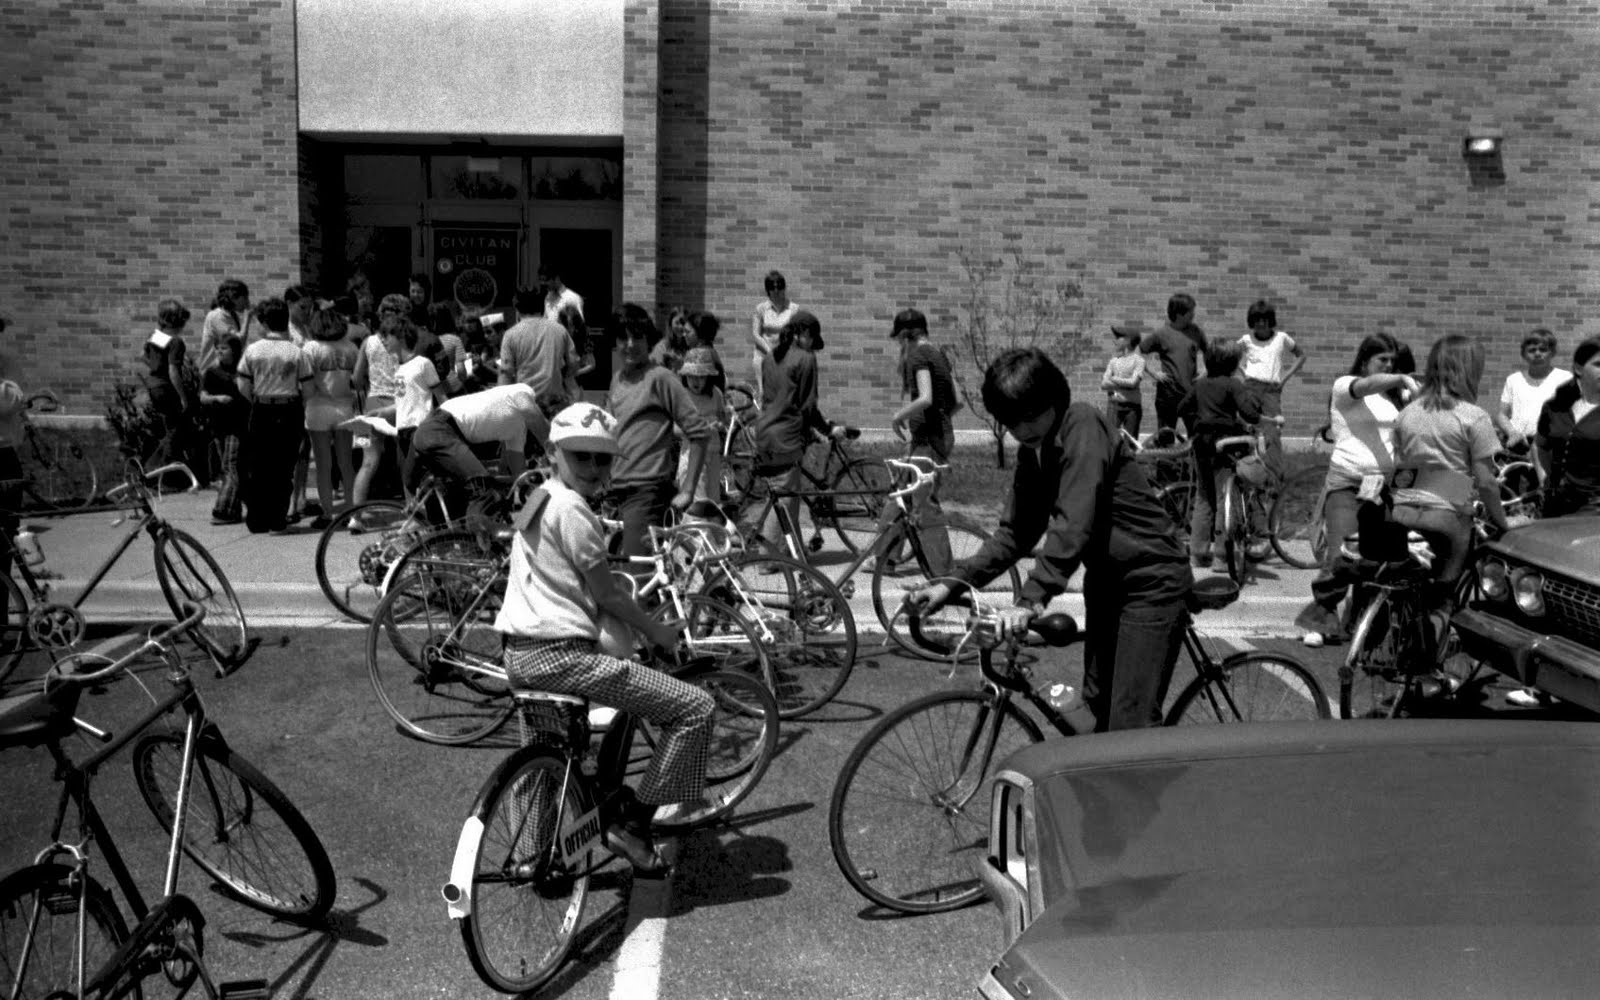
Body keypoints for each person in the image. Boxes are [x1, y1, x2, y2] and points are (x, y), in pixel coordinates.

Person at [905, 348, 1191, 732]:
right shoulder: (1033, 453)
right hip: (1107, 579)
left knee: (1129, 722)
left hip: (1151, 579)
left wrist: (1030, 600)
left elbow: (1073, 520)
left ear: (1054, 399)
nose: (1024, 430)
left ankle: (1148, 786)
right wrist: (952, 583)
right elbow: (1015, 533)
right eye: (1011, 422)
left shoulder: (1083, 425)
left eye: (1033, 415)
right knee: (1096, 708)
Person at [494, 401, 712, 870]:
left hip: (519, 652)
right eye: (581, 456)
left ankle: (535, 858)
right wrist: (656, 630)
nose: (594, 468)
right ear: (554, 453)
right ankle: (628, 823)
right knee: (695, 708)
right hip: (564, 657)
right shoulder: (573, 511)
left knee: (544, 763)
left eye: (602, 458)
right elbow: (609, 595)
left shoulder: (537, 497)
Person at [1384, 334, 1510, 655]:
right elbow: (1486, 483)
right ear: (1469, 371)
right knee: (1445, 591)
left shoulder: (1408, 412)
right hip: (1445, 515)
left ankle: (1397, 633)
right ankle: (1429, 659)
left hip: (1400, 506)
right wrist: (1502, 521)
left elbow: (1403, 469)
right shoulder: (1473, 417)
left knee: (1407, 581)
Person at [1296, 334, 1417, 647]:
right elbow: (1365, 386)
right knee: (1343, 552)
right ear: (1365, 361)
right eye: (1382, 360)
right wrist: (1401, 376)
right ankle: (1319, 618)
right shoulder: (1346, 386)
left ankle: (1360, 621)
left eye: (1393, 361)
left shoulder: (1394, 398)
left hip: (1383, 487)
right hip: (1348, 483)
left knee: (1379, 556)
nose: (1389, 367)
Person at [605, 305, 715, 560]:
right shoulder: (616, 380)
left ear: (648, 340)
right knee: (632, 573)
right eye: (623, 338)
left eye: (638, 337)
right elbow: (613, 432)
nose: (630, 345)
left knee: (638, 579)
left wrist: (688, 490)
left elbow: (699, 432)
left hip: (646, 492)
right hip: (617, 490)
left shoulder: (661, 378)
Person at [753, 310, 846, 554]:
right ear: (803, 333)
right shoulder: (805, 359)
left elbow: (772, 398)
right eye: (813, 339)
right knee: (784, 499)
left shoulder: (770, 357)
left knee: (785, 494)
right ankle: (771, 557)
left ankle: (793, 551)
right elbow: (807, 406)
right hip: (787, 436)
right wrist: (827, 429)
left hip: (764, 432)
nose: (813, 346)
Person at [874, 308, 956, 574]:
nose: (899, 344)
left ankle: (943, 574)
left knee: (924, 504)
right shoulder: (939, 353)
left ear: (907, 335)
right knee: (899, 496)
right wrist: (937, 421)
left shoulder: (919, 355)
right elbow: (957, 401)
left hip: (928, 442)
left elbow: (925, 397)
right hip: (934, 435)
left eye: (899, 338)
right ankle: (885, 559)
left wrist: (898, 417)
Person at [401, 382, 550, 520]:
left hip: (436, 433)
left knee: (460, 496)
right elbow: (537, 421)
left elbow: (519, 474)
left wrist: (539, 498)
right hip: (439, 429)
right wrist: (555, 453)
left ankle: (451, 542)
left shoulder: (518, 430)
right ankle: (480, 545)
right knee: (482, 490)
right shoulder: (523, 392)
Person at [1178, 341, 1265, 569]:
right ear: (1233, 363)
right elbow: (1250, 414)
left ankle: (1196, 553)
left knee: (1203, 497)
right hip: (1225, 444)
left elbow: (1181, 408)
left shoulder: (1200, 384)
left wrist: (1196, 424)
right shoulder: (1233, 385)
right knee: (1223, 498)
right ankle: (1220, 555)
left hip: (1201, 444)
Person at [235, 297, 312, 534]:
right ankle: (277, 519)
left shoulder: (253, 350)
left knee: (258, 466)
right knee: (283, 467)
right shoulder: (296, 352)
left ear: (264, 323)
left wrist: (259, 398)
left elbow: (242, 385)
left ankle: (257, 519)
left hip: (262, 409)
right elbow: (308, 389)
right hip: (289, 409)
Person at [302, 306, 360, 530]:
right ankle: (352, 511)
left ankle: (328, 513)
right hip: (345, 406)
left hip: (318, 406)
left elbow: (306, 383)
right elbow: (357, 380)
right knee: (346, 463)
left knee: (324, 465)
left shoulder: (311, 348)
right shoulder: (350, 347)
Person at [1237, 299, 1305, 478]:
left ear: (1270, 320)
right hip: (1251, 388)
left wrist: (1285, 377)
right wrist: (1243, 373)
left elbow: (1301, 355)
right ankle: (1245, 474)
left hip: (1271, 391)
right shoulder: (1246, 340)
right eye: (1257, 319)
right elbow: (1230, 354)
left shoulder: (1281, 338)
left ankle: (1275, 479)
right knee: (1245, 428)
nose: (1261, 323)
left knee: (1272, 434)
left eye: (1264, 319)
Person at [349, 295, 403, 522]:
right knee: (404, 460)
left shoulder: (367, 342)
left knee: (367, 462)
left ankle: (355, 517)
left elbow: (356, 378)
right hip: (396, 404)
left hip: (371, 404)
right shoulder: (402, 342)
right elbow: (404, 376)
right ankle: (410, 512)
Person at [1536, 335, 1600, 517]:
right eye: (1598, 364)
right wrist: (1546, 479)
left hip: (1593, 511)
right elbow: (1540, 446)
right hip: (1555, 504)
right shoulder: (1555, 407)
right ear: (1579, 369)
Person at [1495, 327, 1571, 459]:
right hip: (1518, 446)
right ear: (1524, 354)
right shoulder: (1514, 380)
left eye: (1543, 349)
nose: (1537, 354)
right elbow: (1502, 414)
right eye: (1532, 350)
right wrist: (1512, 433)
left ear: (1552, 352)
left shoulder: (1565, 378)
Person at [1140, 292, 1206, 437]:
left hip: (1191, 394)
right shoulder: (1161, 334)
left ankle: (1193, 460)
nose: (1194, 314)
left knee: (1196, 436)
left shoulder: (1196, 332)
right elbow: (1138, 352)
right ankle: (1164, 460)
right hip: (1167, 394)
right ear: (1179, 314)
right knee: (1165, 437)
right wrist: (1153, 373)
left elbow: (1210, 353)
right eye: (1190, 311)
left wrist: (1205, 372)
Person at [199, 333, 248, 525]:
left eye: (224, 348)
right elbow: (203, 396)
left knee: (231, 466)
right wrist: (216, 398)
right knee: (228, 467)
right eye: (217, 348)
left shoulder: (241, 372)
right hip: (219, 426)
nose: (219, 351)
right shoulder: (211, 373)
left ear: (235, 351)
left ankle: (223, 510)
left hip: (238, 426)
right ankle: (235, 509)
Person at [500, 286, 578, 400]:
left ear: (517, 310)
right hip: (554, 400)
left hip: (525, 401)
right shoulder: (560, 330)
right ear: (542, 307)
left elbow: (506, 374)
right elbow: (573, 364)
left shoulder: (511, 334)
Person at [676, 347, 724, 503]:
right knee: (698, 503)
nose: (696, 381)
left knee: (713, 503)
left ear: (708, 377)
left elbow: (722, 418)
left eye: (701, 377)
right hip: (692, 456)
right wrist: (700, 429)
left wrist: (720, 425)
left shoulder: (716, 394)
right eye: (691, 377)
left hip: (713, 454)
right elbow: (675, 429)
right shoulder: (682, 396)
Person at [749, 270, 799, 401]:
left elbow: (796, 334)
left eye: (779, 287)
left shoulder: (793, 309)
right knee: (764, 394)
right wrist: (769, 351)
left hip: (785, 356)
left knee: (785, 393)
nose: (776, 291)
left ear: (784, 288)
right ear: (768, 290)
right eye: (772, 287)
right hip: (764, 355)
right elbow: (756, 334)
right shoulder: (761, 308)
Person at [1100, 323, 1145, 439]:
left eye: (1118, 338)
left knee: (1130, 442)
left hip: (1132, 408)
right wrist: (1123, 384)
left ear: (1127, 341)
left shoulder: (1138, 361)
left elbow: (1133, 383)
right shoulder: (1113, 361)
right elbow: (1104, 384)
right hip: (1114, 406)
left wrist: (1113, 379)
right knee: (1110, 440)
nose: (1114, 341)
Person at [198, 279, 251, 372]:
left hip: (226, 372)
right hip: (213, 373)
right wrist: (247, 319)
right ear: (234, 298)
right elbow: (237, 343)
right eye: (245, 298)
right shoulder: (217, 316)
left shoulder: (231, 315)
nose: (247, 302)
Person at [555, 303, 594, 406]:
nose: (568, 330)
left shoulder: (582, 338)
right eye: (565, 326)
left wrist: (575, 373)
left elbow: (592, 364)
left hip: (573, 382)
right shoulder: (556, 337)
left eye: (571, 326)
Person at [687, 311, 727, 393]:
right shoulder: (710, 351)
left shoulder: (700, 355)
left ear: (700, 334)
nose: (684, 335)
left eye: (688, 332)